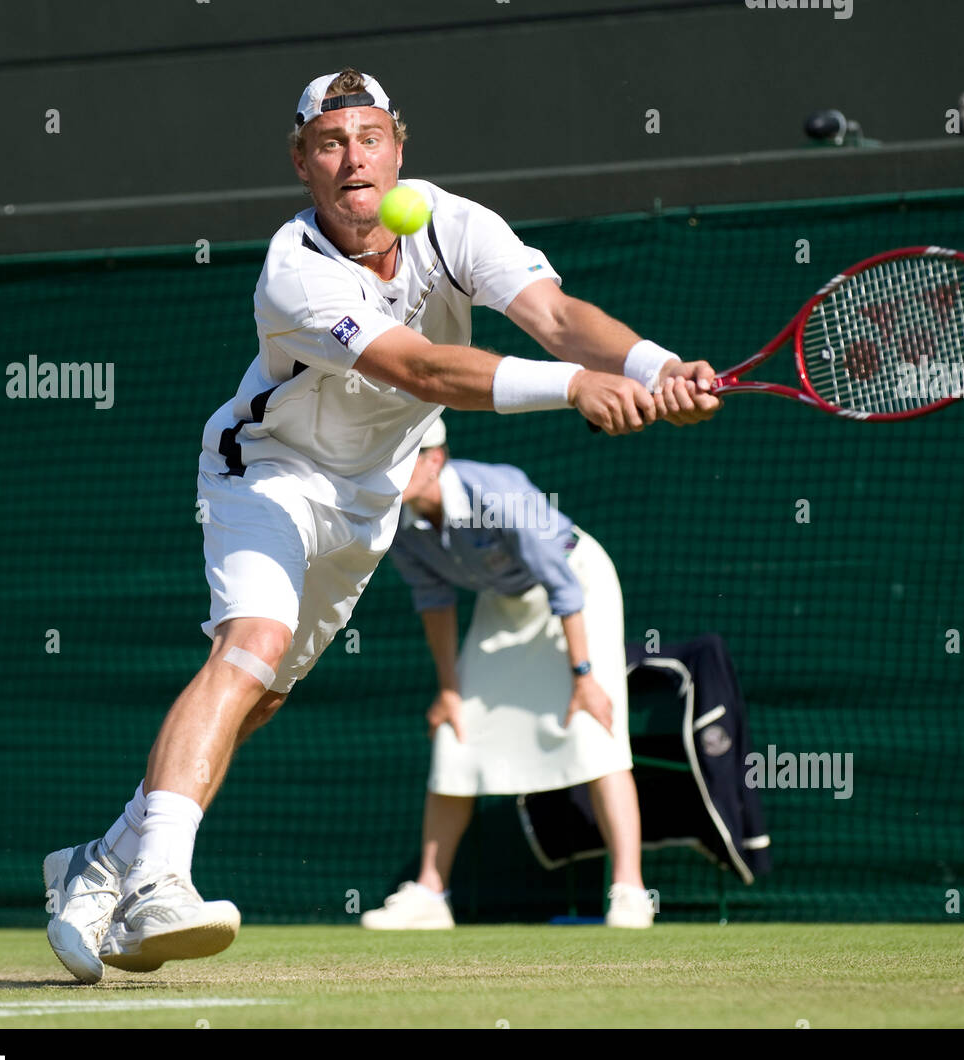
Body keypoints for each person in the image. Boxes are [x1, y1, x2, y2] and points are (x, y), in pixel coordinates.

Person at [42, 67, 719, 984]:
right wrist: (576, 389)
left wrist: (657, 365)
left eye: (369, 138)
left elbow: (555, 315)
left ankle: (101, 862)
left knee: (265, 694)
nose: (353, 158)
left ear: (398, 148)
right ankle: (159, 878)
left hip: (369, 501)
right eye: (330, 143)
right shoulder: (293, 273)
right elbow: (426, 372)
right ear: (302, 163)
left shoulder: (454, 224)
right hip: (268, 472)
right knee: (251, 645)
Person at [361, 418, 654, 929]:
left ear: (435, 460)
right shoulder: (396, 521)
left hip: (577, 587)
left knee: (594, 730)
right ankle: (431, 895)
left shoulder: (497, 493)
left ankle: (630, 891)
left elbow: (563, 585)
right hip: (506, 602)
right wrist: (449, 690)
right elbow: (434, 600)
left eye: (404, 455)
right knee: (457, 734)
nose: (390, 469)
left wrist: (584, 676)